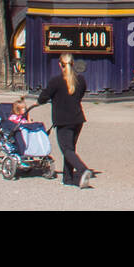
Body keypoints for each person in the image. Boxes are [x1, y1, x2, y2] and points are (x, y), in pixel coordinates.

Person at [38, 53, 92, 188]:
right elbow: (80, 95)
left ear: (59, 64)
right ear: (73, 64)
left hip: (63, 121)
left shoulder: (55, 81)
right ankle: (68, 178)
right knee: (71, 149)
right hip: (77, 119)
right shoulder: (81, 80)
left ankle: (82, 169)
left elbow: (43, 97)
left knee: (66, 150)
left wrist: (44, 100)